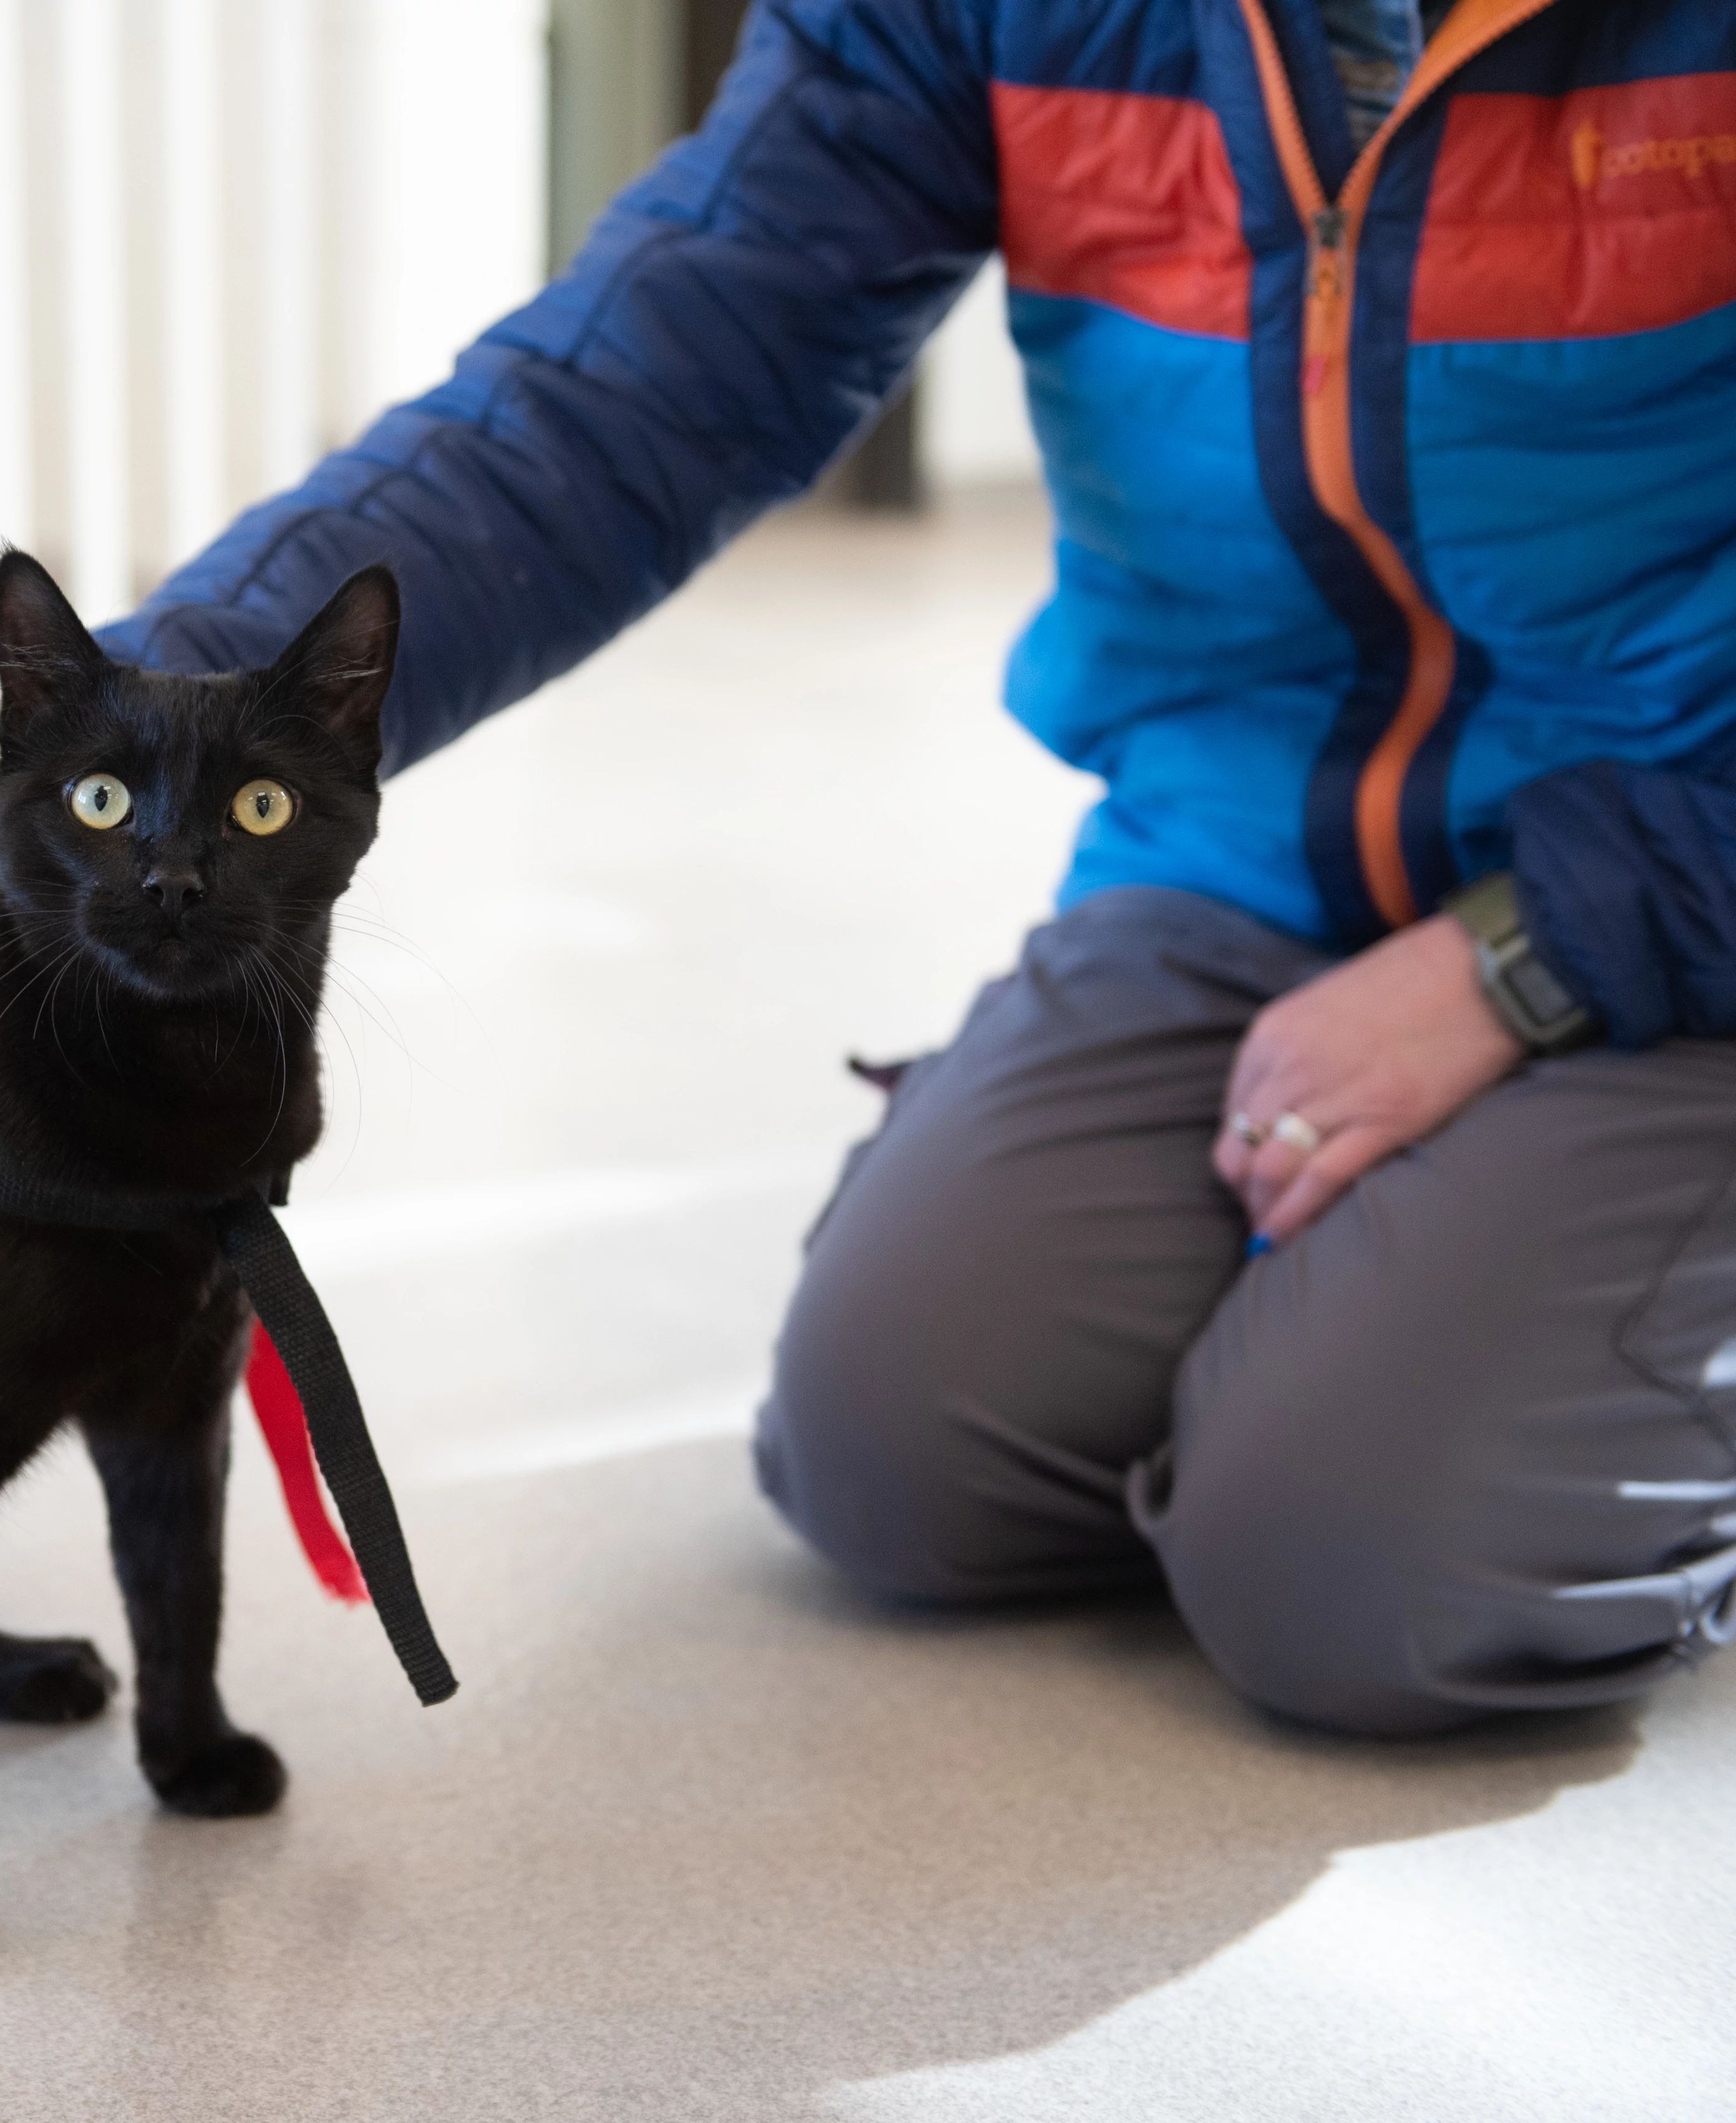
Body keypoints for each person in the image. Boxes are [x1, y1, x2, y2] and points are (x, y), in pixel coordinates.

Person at [95, 0, 1736, 1736]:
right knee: (894, 1446)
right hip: (1237, 858)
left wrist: (1531, 951)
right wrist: (126, 745)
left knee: (1350, 1578)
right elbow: (631, 387)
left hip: (1685, 901)